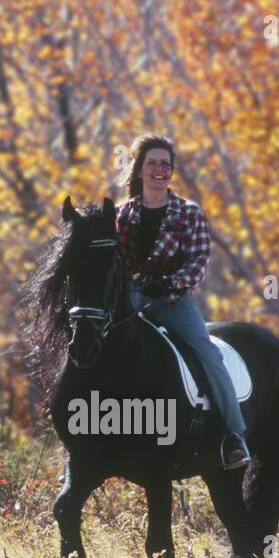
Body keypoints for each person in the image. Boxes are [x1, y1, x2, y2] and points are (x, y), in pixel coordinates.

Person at [115, 132, 249, 469]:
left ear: (171, 170)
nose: (159, 170)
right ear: (139, 169)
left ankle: (234, 435)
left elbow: (199, 262)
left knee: (207, 352)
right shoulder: (120, 215)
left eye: (165, 164)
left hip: (172, 301)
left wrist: (170, 283)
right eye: (152, 164)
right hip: (130, 301)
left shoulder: (189, 213)